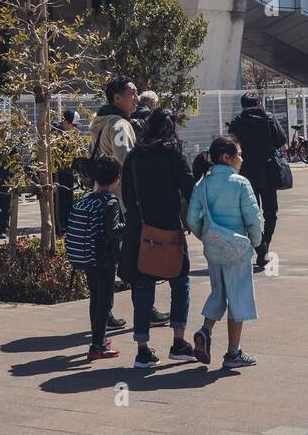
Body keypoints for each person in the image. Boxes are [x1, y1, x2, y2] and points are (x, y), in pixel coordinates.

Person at [119, 107, 196, 368]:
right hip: (169, 229)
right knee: (180, 280)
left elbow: (127, 197)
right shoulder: (172, 154)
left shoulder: (133, 157)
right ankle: (178, 342)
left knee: (142, 285)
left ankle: (142, 349)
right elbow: (189, 188)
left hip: (140, 230)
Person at [187, 135, 262, 369]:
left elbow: (191, 218)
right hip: (237, 250)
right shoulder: (241, 183)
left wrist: (207, 237)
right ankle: (233, 352)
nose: (241, 158)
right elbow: (253, 218)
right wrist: (256, 242)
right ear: (226, 158)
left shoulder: (202, 184)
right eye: (238, 154)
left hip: (214, 250)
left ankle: (205, 330)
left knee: (218, 293)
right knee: (237, 298)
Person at [65, 154, 125, 362]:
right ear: (116, 179)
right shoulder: (110, 202)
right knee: (104, 302)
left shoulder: (86, 200)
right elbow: (113, 231)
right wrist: (131, 226)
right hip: (105, 259)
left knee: (95, 299)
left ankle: (98, 338)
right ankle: (98, 345)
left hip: (88, 257)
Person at [228, 95, 287, 272]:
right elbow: (281, 140)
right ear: (258, 103)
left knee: (249, 213)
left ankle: (260, 246)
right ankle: (264, 246)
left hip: (245, 172)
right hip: (268, 172)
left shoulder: (237, 122)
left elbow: (230, 145)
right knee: (270, 212)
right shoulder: (268, 119)